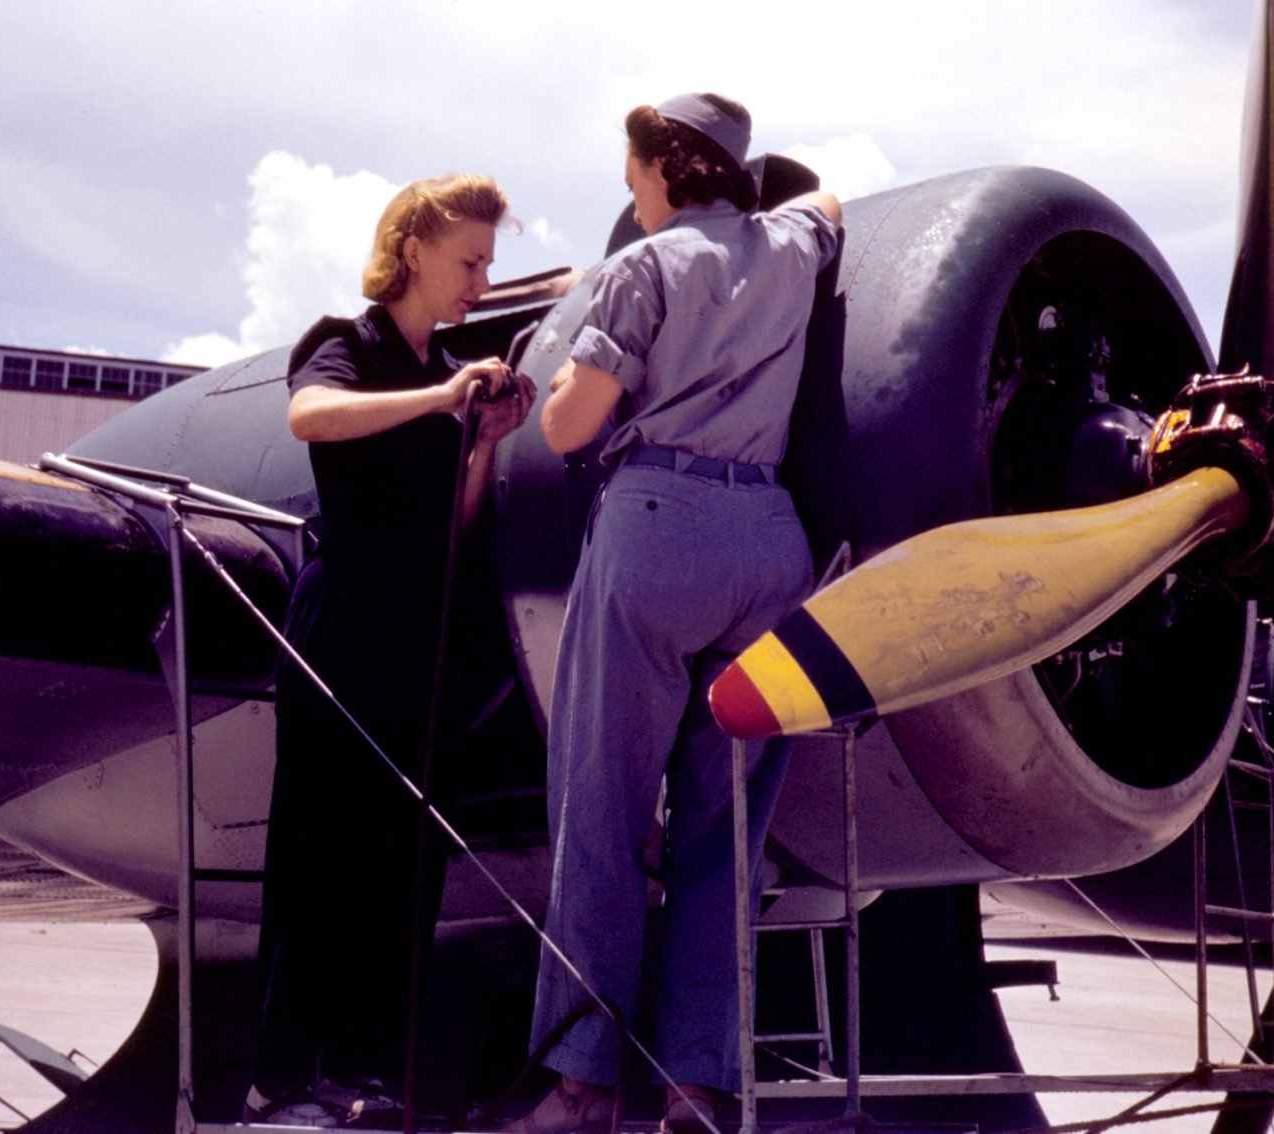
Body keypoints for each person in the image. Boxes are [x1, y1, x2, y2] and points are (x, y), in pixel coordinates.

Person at [518, 94, 842, 1134]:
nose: (629, 189)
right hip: (771, 549)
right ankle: (696, 1085)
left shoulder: (643, 266)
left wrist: (572, 355)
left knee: (602, 818)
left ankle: (584, 1083)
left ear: (665, 165)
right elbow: (832, 203)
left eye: (634, 170)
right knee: (727, 837)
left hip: (658, 527)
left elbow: (569, 428)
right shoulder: (789, 244)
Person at [245, 173, 537, 1128]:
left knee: (401, 865)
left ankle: (364, 1071)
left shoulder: (449, 365)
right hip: (344, 624)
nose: (481, 281)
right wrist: (440, 398)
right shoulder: (345, 343)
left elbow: (450, 529)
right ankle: (282, 1076)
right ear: (414, 250)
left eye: (490, 263)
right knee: (319, 853)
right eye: (469, 260)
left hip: (422, 629)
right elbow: (308, 418)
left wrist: (484, 437)